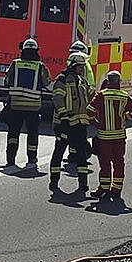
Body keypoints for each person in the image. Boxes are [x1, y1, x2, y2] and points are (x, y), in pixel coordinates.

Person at [87, 71, 132, 200]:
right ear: (119, 82)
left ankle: (103, 188)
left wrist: (96, 123)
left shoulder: (101, 95)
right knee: (118, 162)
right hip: (120, 137)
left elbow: (89, 111)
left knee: (105, 164)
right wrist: (125, 116)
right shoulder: (124, 96)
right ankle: (116, 189)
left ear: (108, 82)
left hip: (104, 137)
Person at [3, 38, 51, 168]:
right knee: (32, 133)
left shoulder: (15, 63)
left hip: (16, 105)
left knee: (13, 133)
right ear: (36, 51)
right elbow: (47, 82)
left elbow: (6, 81)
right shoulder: (40, 66)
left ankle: (11, 159)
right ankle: (32, 159)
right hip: (33, 107)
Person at [49, 52, 92, 193]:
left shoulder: (82, 81)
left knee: (81, 155)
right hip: (63, 124)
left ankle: (83, 184)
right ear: (73, 66)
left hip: (79, 125)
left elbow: (88, 98)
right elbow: (57, 98)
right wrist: (64, 117)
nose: (82, 69)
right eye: (80, 66)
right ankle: (54, 182)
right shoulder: (62, 80)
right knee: (58, 153)